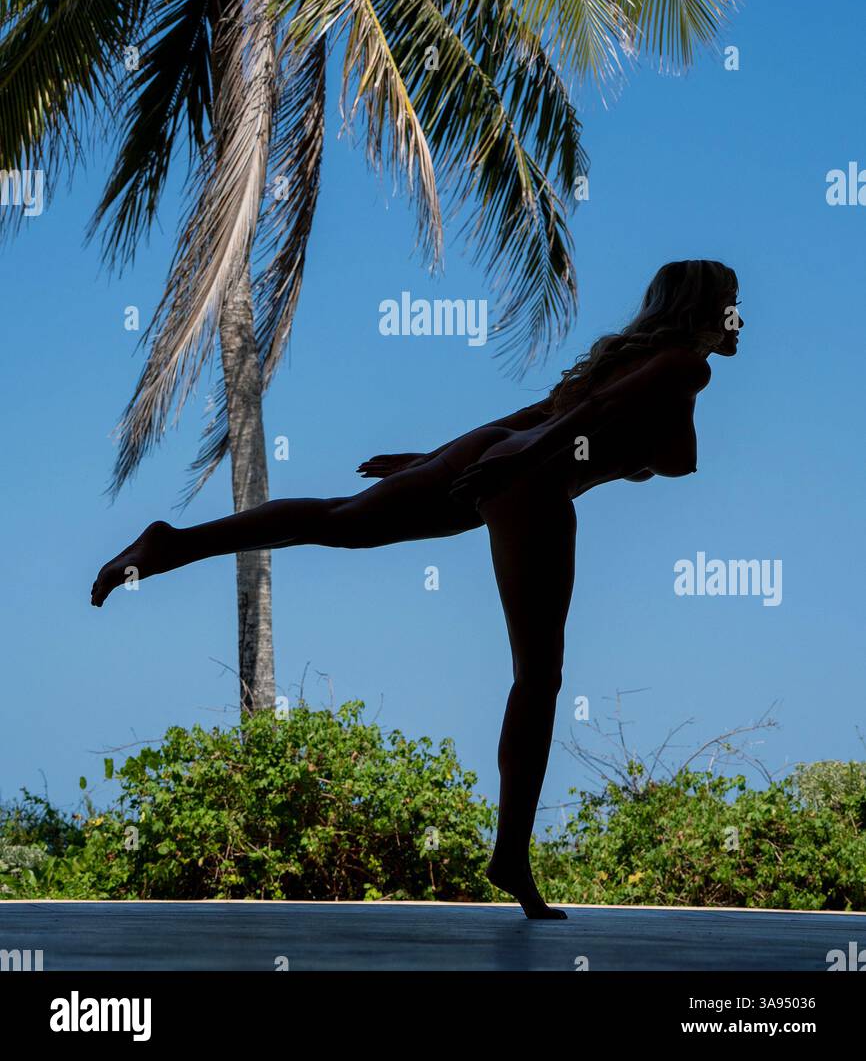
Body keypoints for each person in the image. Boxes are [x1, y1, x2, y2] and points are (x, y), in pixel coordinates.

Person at [91, 260, 743, 919]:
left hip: (499, 452)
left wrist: (437, 459)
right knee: (538, 678)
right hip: (530, 477)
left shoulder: (626, 363)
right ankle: (511, 852)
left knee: (341, 519)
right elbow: (620, 436)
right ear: (706, 308)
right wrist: (521, 458)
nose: (740, 318)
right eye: (733, 304)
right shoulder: (684, 369)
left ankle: (174, 544)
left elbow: (538, 414)